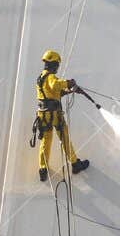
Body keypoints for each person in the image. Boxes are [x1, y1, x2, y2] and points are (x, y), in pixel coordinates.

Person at [34, 49, 90, 181]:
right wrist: (69, 83)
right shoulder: (51, 77)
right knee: (64, 138)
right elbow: (55, 85)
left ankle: (43, 169)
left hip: (43, 116)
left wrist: (69, 91)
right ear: (53, 64)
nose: (57, 68)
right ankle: (75, 164)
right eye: (57, 65)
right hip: (55, 115)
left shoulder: (41, 77)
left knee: (45, 141)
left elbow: (53, 93)